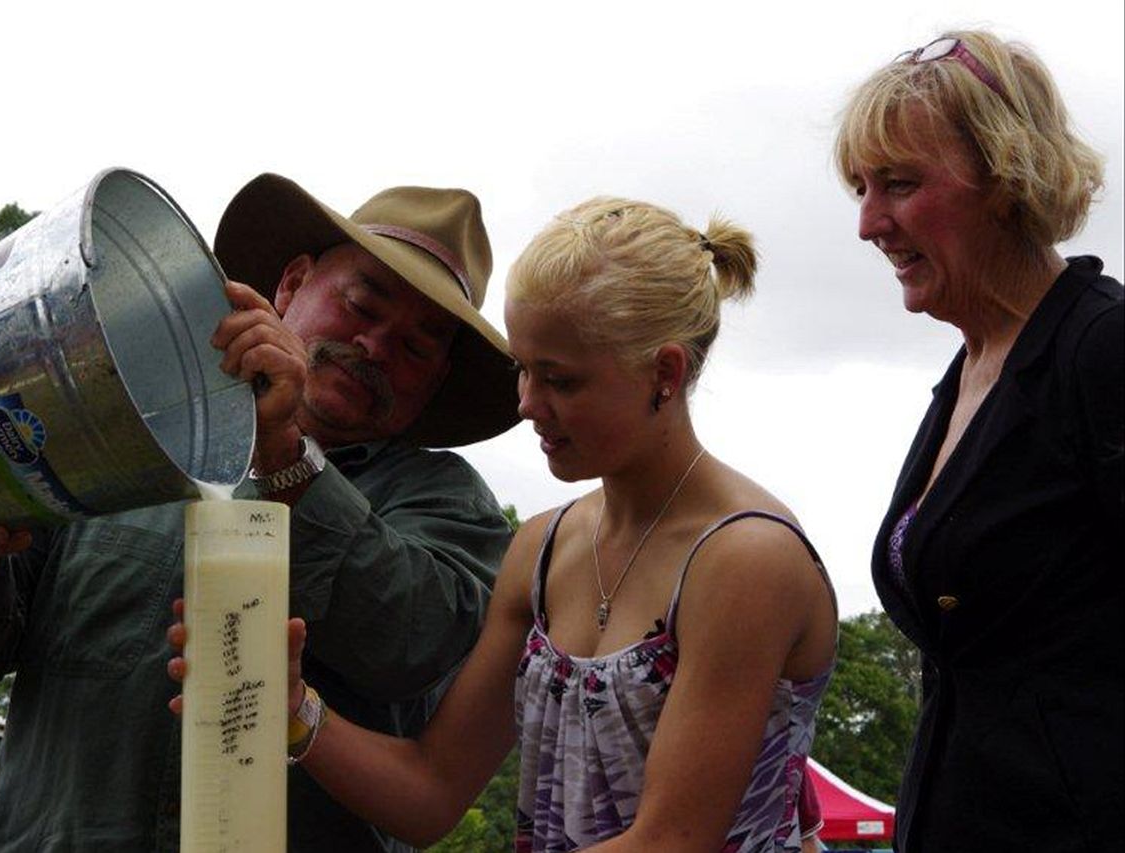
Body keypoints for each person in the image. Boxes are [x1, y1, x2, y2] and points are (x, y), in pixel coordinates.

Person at [172, 196, 839, 851]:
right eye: (523, 369)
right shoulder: (542, 549)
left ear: (664, 372)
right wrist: (292, 710)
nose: (526, 404)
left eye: (560, 379)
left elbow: (672, 838)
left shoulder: (746, 557)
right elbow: (430, 792)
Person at [0, 174, 521, 852]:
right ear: (292, 283)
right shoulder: (119, 430)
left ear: (435, 381)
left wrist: (288, 459)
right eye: (363, 304)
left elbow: (415, 642)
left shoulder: (448, 504)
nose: (375, 346)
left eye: (418, 346)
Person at [835, 29, 1123, 852]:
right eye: (859, 187)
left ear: (1006, 176)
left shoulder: (1102, 351)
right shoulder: (968, 371)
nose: (867, 223)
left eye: (898, 184)